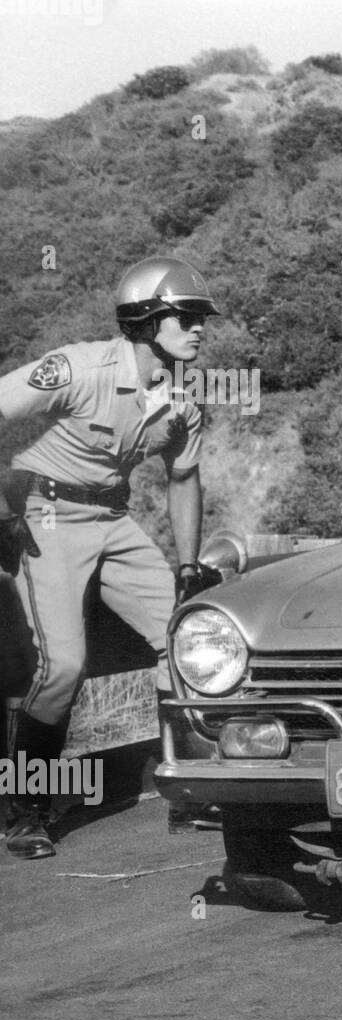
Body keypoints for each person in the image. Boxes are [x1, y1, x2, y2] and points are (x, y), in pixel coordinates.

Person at [0, 256, 220, 859]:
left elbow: (184, 478)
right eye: (186, 317)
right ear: (147, 320)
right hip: (45, 515)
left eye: (201, 318)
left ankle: (194, 785)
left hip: (112, 519)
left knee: (190, 641)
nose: (199, 328)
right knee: (62, 666)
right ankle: (26, 810)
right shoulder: (80, 367)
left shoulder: (183, 398)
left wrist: (188, 565)